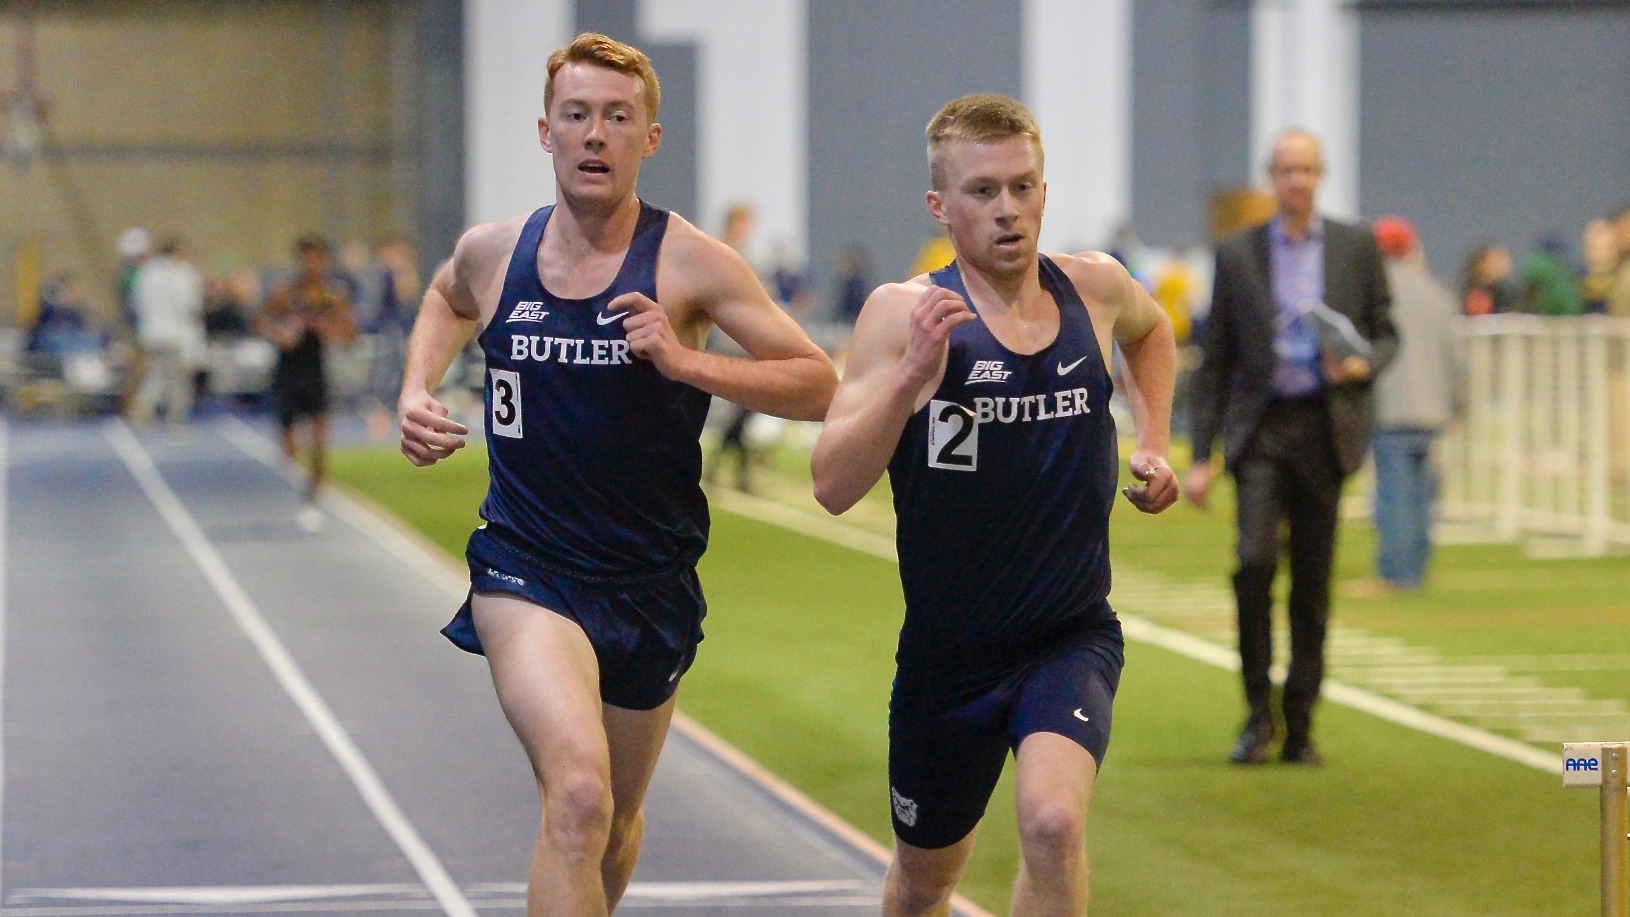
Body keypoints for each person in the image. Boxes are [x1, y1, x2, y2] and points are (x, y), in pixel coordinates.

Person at [395, 33, 836, 917]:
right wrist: (415, 387)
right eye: (577, 115)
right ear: (546, 132)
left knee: (617, 818)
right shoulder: (494, 252)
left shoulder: (692, 264)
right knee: (581, 797)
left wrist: (687, 363)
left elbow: (820, 384)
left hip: (651, 582)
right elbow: (447, 296)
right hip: (527, 570)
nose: (596, 134)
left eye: (617, 118)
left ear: (651, 138)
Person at [811, 93, 1178, 916]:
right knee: (923, 882)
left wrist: (1153, 436)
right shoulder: (902, 314)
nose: (1008, 210)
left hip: (1068, 635)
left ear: (1045, 190)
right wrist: (909, 378)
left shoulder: (1097, 289)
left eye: (1023, 186)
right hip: (949, 659)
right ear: (940, 206)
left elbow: (1153, 333)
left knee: (1052, 823)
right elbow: (832, 485)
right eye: (982, 191)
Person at [1185, 129, 1398, 766]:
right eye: (1285, 169)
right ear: (1271, 178)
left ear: (1320, 175)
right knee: (1252, 565)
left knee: (1312, 582)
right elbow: (1215, 359)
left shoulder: (1356, 248)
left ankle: (1300, 723)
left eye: (1306, 169)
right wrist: (1200, 456)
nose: (1296, 180)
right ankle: (1257, 716)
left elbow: (1387, 333)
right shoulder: (1237, 253)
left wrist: (1364, 366)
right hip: (1260, 428)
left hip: (1324, 429)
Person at [1351, 217, 1461, 595]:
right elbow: (1457, 359)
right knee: (1420, 493)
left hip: (1391, 410)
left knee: (1394, 494)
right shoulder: (1437, 293)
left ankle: (1396, 574)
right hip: (1432, 411)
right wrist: (1457, 407)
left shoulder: (1372, 295)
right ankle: (1415, 567)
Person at [256, 233, 357, 528]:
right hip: (287, 374)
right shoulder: (285, 294)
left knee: (319, 444)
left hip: (315, 374)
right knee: (288, 448)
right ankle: (297, 474)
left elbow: (350, 335)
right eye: (305, 258)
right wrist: (279, 334)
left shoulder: (332, 297)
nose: (311, 265)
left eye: (316, 259)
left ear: (324, 262)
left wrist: (327, 330)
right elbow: (260, 322)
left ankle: (312, 498)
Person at [130, 236, 207, 432]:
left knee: (158, 373)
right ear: (175, 252)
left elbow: (136, 302)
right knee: (177, 379)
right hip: (175, 334)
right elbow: (190, 307)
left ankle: (143, 406)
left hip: (151, 333)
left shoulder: (147, 271)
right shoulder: (183, 273)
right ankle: (177, 420)